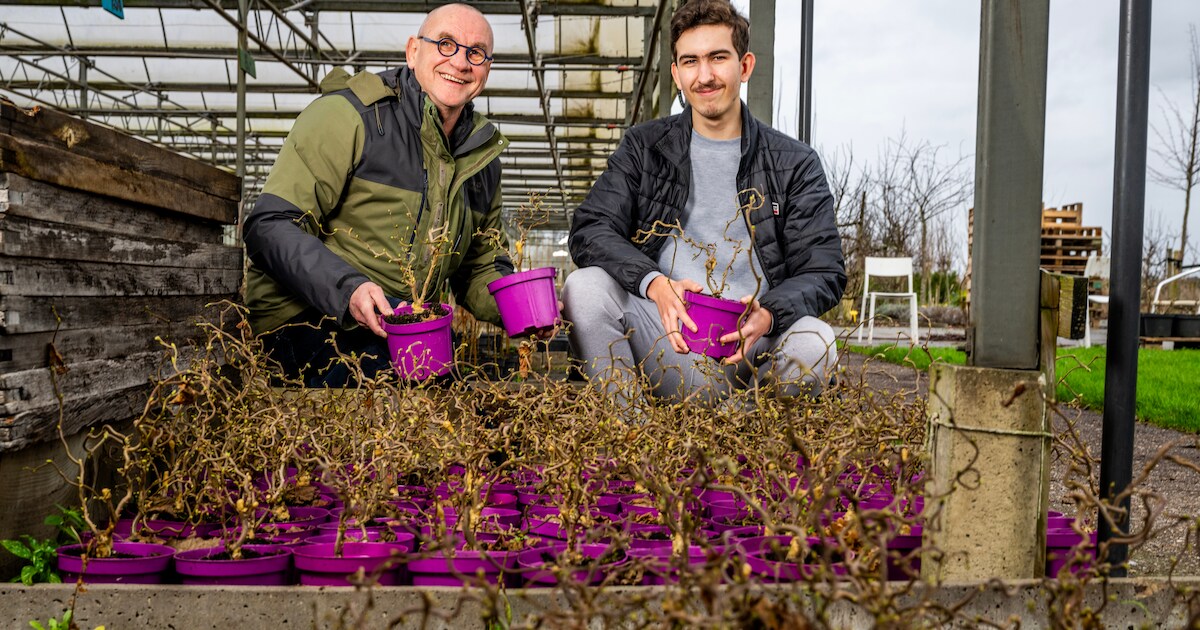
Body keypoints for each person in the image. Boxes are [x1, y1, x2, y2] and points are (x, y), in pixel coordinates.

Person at [563, 0, 845, 406]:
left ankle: (751, 437)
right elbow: (591, 229)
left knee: (816, 342)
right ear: (676, 73)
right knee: (584, 287)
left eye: (718, 58)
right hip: (669, 344)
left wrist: (768, 312)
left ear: (744, 66)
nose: (705, 75)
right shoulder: (645, 148)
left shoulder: (794, 163)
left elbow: (824, 270)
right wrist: (654, 283)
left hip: (756, 352)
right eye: (690, 61)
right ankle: (629, 433)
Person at [243, 3, 513, 386]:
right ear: (413, 51)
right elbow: (269, 226)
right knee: (405, 410)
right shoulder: (350, 117)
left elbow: (478, 266)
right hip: (307, 321)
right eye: (446, 44)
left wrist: (521, 309)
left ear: (486, 68)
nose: (461, 62)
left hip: (402, 333)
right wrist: (348, 288)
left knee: (477, 424)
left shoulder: (481, 159)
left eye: (476, 52)